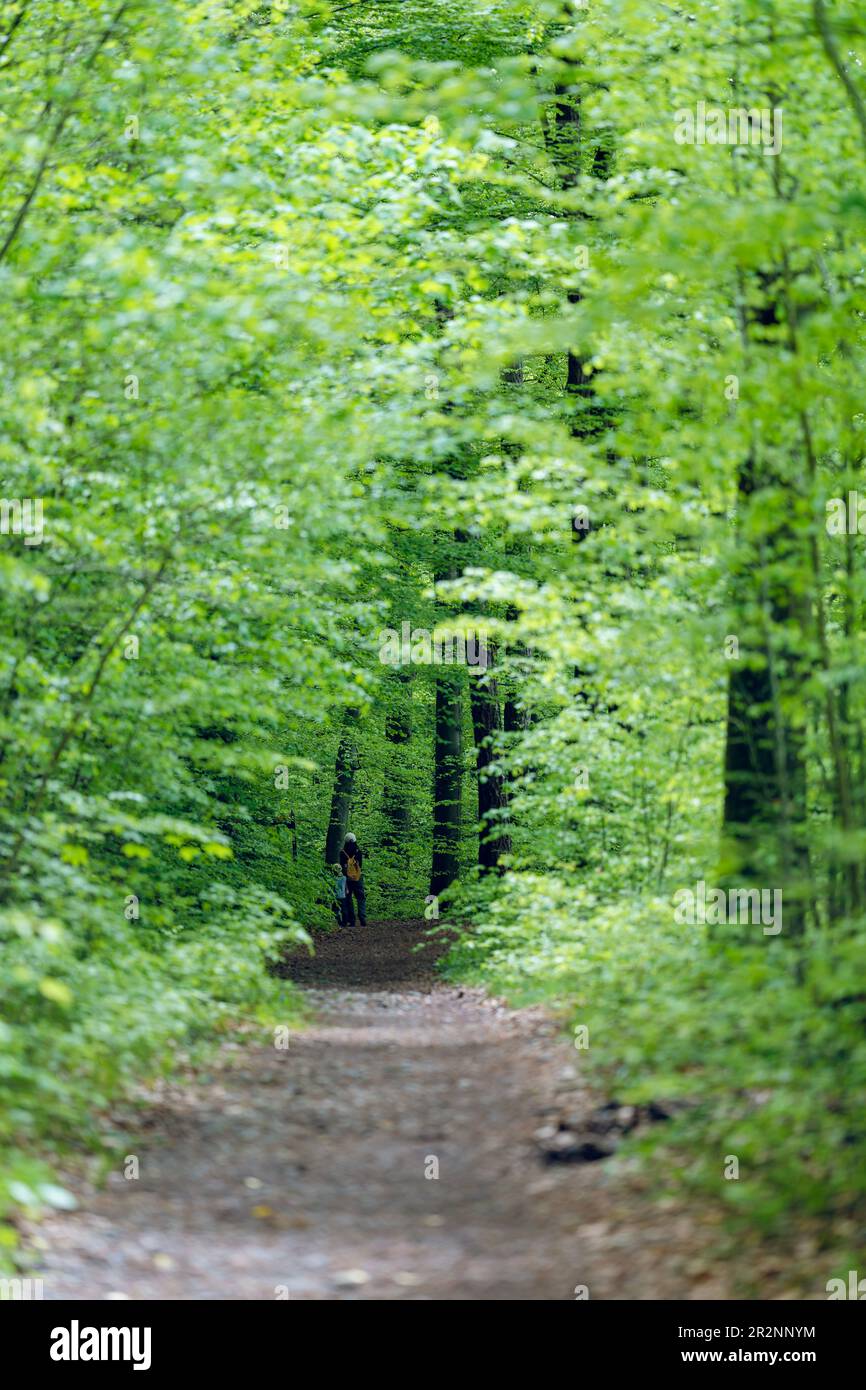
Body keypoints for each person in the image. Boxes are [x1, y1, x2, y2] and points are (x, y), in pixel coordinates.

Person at [339, 832, 366, 927]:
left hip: (347, 879)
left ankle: (352, 920)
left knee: (348, 898)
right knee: (361, 898)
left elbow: (341, 867)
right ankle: (362, 918)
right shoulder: (359, 852)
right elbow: (360, 865)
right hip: (358, 878)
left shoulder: (342, 853)